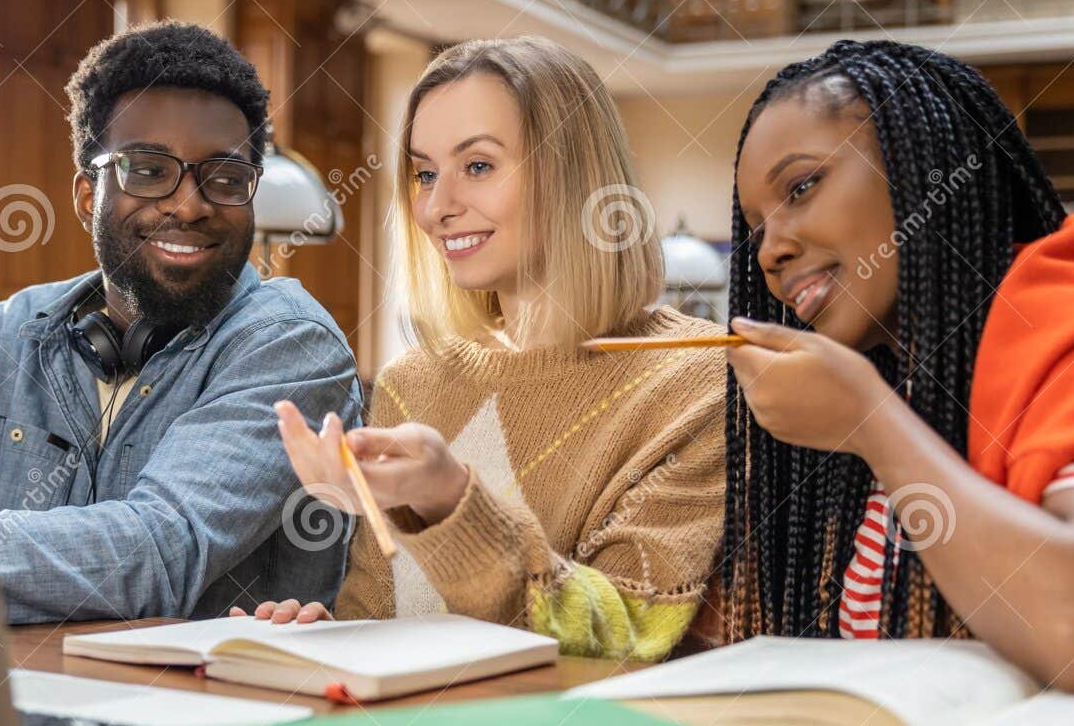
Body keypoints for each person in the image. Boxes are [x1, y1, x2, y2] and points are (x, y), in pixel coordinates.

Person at [721, 38, 1074, 690]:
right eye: (755, 229)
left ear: (920, 161)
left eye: (801, 187)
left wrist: (870, 422)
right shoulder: (891, 370)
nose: (770, 249)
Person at [235, 36, 727, 661]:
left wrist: (451, 500)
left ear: (574, 174)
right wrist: (329, 635)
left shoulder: (696, 379)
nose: (438, 207)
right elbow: (380, 616)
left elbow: (625, 636)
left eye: (478, 166)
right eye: (424, 173)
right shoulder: (413, 381)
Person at [0, 21, 362, 623]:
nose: (190, 205)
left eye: (224, 179)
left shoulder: (290, 344)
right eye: (147, 170)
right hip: (11, 698)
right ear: (88, 196)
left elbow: (158, 552)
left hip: (211, 712)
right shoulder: (16, 332)